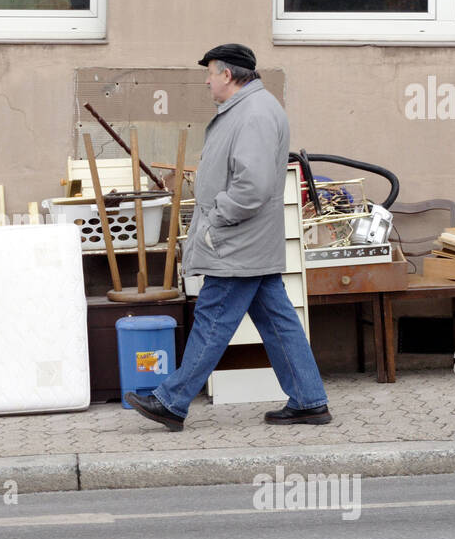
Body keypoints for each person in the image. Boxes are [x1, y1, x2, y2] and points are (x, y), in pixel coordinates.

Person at [126, 44, 331, 432]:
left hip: (237, 241)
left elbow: (251, 188)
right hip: (246, 242)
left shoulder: (252, 113)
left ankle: (171, 401)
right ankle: (308, 400)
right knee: (277, 321)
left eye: (211, 72)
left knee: (212, 319)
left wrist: (217, 217)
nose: (206, 80)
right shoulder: (252, 108)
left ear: (228, 74)